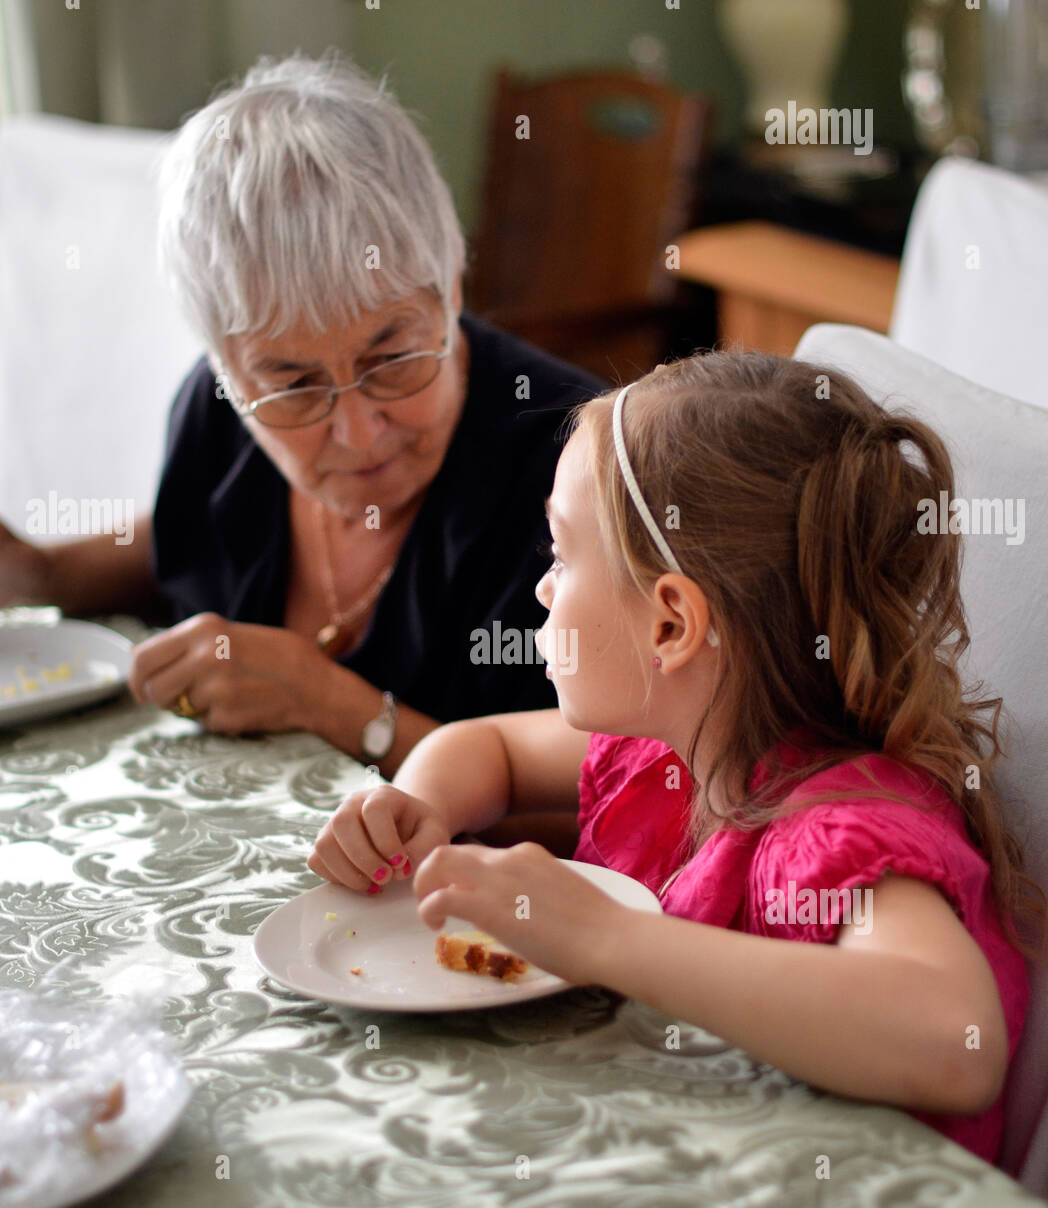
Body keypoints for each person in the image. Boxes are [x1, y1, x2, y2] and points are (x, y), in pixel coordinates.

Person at [308, 348, 1046, 1166]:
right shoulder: (665, 756)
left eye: (560, 556)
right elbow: (484, 748)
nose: (544, 591)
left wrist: (603, 938)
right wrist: (421, 808)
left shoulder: (832, 830)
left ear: (670, 625)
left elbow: (955, 1039)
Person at [0, 54, 604, 775]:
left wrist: (334, 706)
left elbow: (619, 799)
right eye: (292, 385)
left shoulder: (578, 469)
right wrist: (40, 576)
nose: (356, 432)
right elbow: (189, 535)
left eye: (393, 359)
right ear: (223, 363)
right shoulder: (217, 412)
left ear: (450, 289)